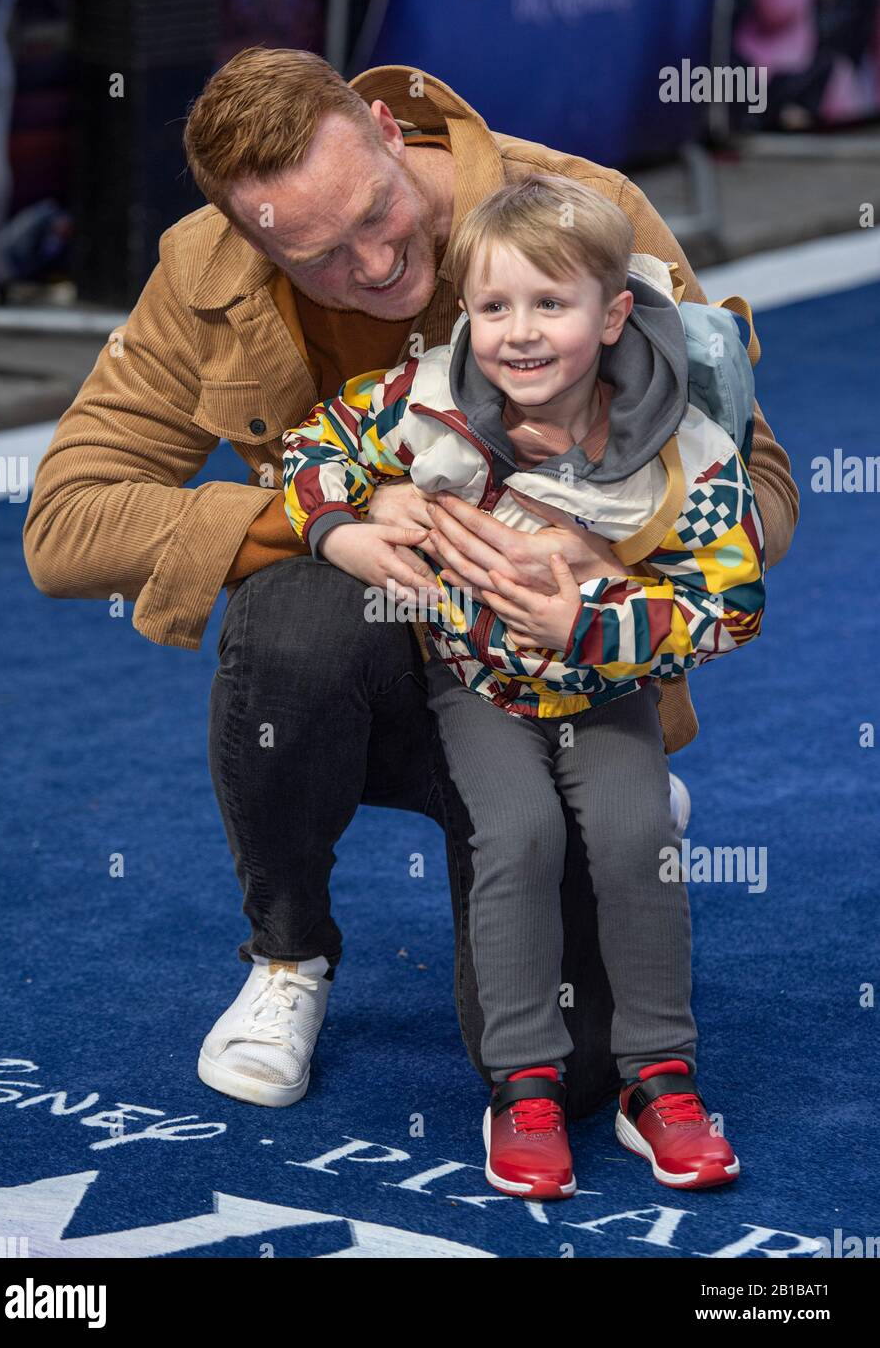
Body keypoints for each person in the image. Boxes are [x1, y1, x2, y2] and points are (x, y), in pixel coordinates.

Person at [21, 48, 799, 1121]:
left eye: (379, 212)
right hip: (377, 644)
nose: (378, 266)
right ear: (249, 242)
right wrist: (318, 519)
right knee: (290, 619)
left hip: (566, 664)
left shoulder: (580, 210)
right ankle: (288, 953)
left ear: (391, 134)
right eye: (321, 256)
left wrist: (607, 562)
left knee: (576, 1073)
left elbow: (755, 473)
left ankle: (603, 796)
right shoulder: (204, 271)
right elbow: (62, 524)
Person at [282, 175, 766, 1197]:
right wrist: (349, 526)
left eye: (552, 304)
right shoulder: (424, 400)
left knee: (639, 836)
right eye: (494, 306)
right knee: (518, 836)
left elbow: (731, 603)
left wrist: (589, 622)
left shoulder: (684, 446)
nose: (519, 332)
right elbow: (314, 446)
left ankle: (660, 1081)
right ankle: (524, 1087)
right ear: (466, 314)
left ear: (613, 313)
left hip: (605, 687)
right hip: (474, 686)